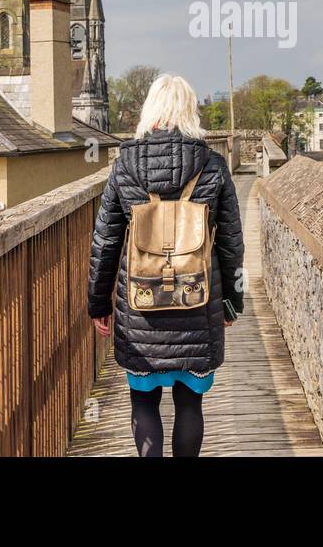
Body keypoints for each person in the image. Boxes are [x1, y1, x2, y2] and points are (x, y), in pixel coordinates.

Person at [88, 74, 245, 457]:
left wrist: (98, 303)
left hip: (141, 306)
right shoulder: (213, 165)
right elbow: (231, 242)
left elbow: (106, 240)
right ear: (189, 111)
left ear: (151, 111)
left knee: (144, 402)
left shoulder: (124, 165)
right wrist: (232, 303)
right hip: (198, 299)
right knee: (190, 403)